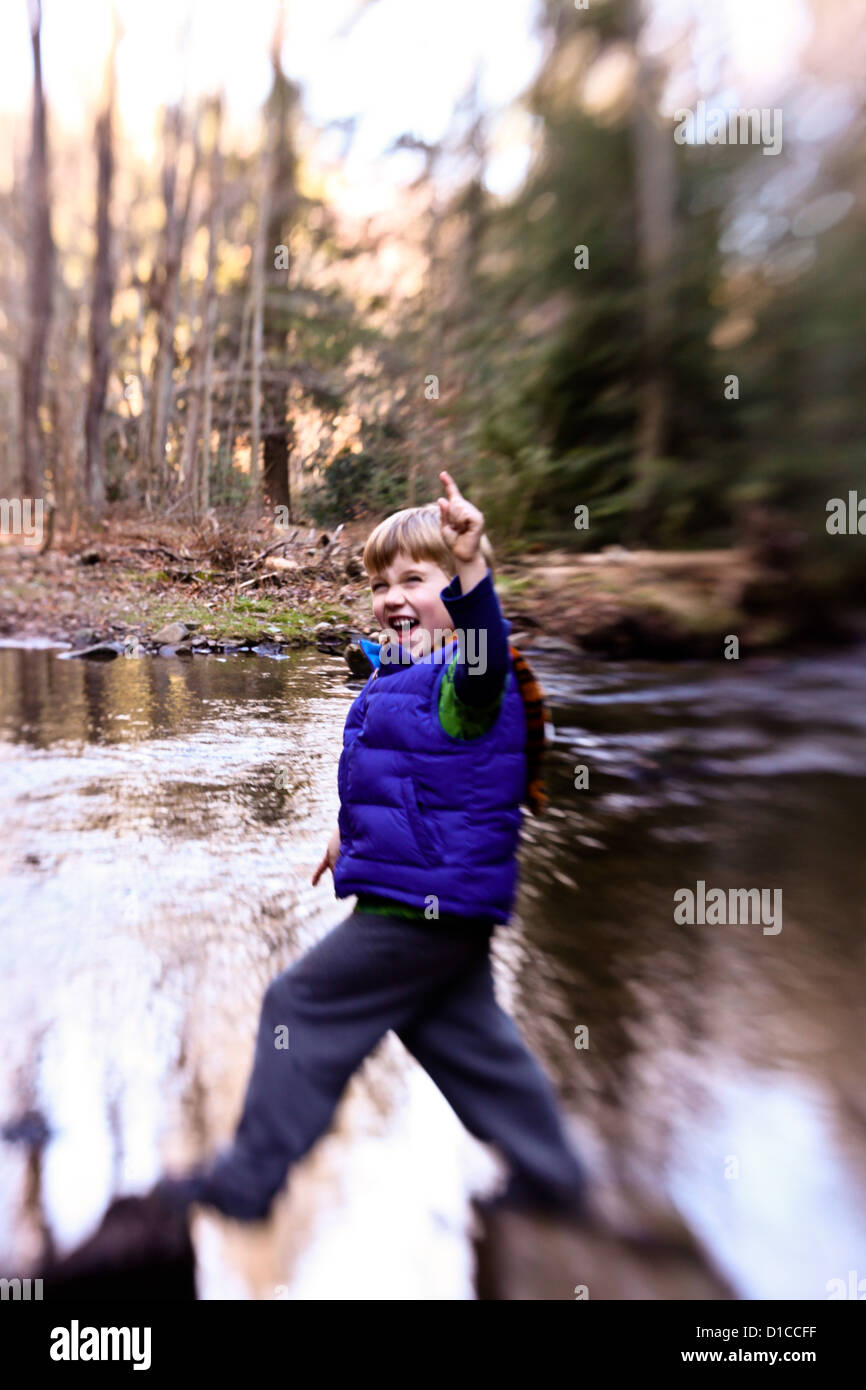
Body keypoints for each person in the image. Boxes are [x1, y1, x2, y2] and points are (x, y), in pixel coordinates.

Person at [153, 472, 588, 1224]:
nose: (392, 597)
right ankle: (553, 1174)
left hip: (425, 904)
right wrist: (342, 833)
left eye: (416, 579)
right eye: (381, 582)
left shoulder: (467, 677)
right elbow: (403, 782)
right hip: (443, 900)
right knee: (463, 1036)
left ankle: (250, 1183)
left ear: (457, 596)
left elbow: (485, 655)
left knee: (303, 1003)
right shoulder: (404, 679)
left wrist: (474, 562)